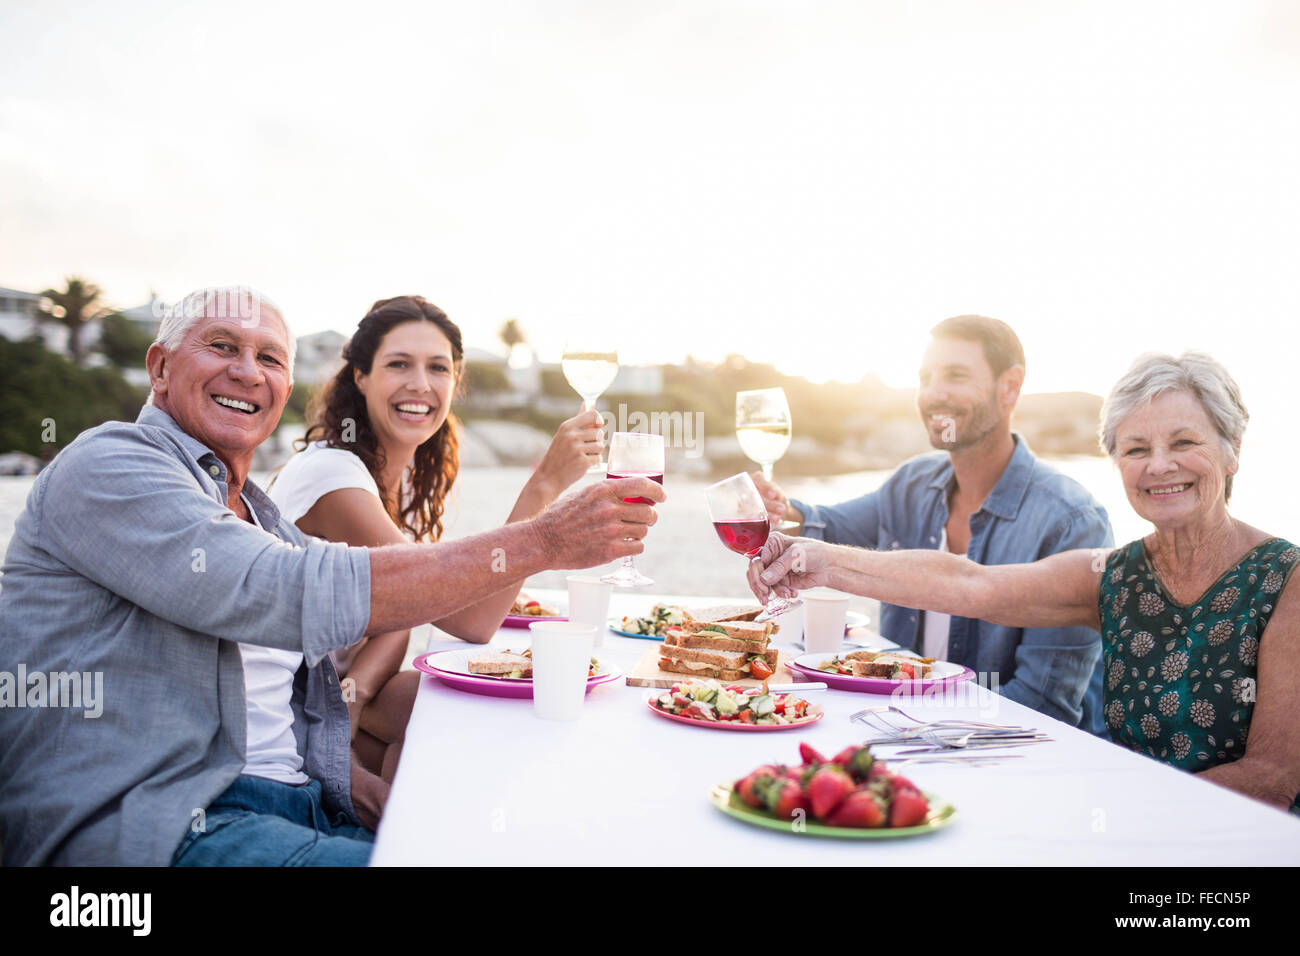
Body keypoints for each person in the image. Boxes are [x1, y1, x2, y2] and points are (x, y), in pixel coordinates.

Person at [0, 287, 663, 866]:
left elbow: (293, 680)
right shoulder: (111, 464)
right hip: (161, 825)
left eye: (269, 358)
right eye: (222, 346)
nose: (247, 371)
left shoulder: (255, 513)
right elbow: (290, 591)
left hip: (294, 800)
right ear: (160, 367)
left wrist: (344, 779)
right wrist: (544, 538)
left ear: (287, 386)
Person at [750, 351, 1300, 811]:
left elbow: (1274, 779)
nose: (1159, 466)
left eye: (1184, 443)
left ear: (1232, 452)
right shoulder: (1113, 576)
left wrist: (1125, 812)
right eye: (1136, 449)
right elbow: (972, 585)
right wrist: (816, 560)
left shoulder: (1286, 578)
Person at [268, 295, 601, 783]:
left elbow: (400, 611)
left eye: (438, 368)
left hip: (332, 693)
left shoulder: (387, 477)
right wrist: (544, 486)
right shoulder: (333, 479)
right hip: (287, 712)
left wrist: (355, 694)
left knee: (474, 703)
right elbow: (472, 621)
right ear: (360, 376)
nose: (420, 384)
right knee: (461, 718)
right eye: (399, 364)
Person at [755, 315, 1112, 731]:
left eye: (956, 376)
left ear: (1010, 388)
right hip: (905, 736)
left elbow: (1042, 709)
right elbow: (821, 528)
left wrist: (893, 722)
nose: (934, 394)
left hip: (1009, 759)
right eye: (925, 378)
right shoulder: (912, 484)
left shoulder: (1072, 522)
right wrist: (774, 511)